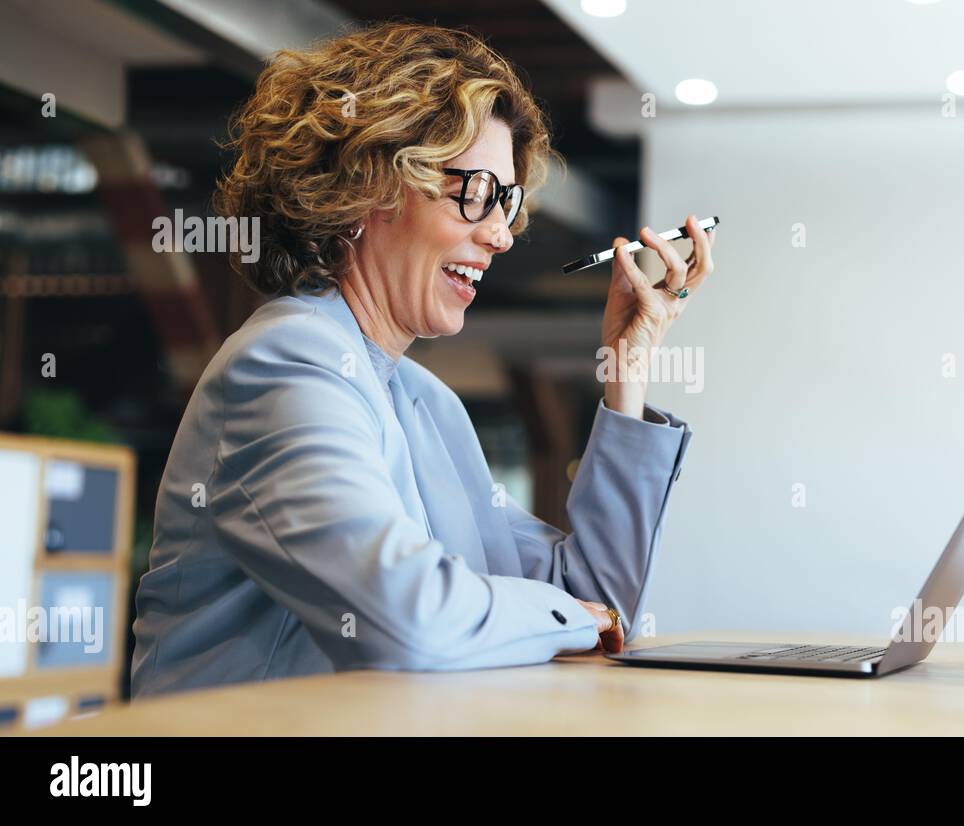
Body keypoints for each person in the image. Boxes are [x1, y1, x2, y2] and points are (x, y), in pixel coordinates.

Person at [130, 23, 716, 697]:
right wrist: (565, 617)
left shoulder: (426, 403)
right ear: (368, 186)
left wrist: (625, 370)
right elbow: (412, 620)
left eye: (506, 201)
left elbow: (596, 601)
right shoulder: (284, 365)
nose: (499, 236)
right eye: (474, 192)